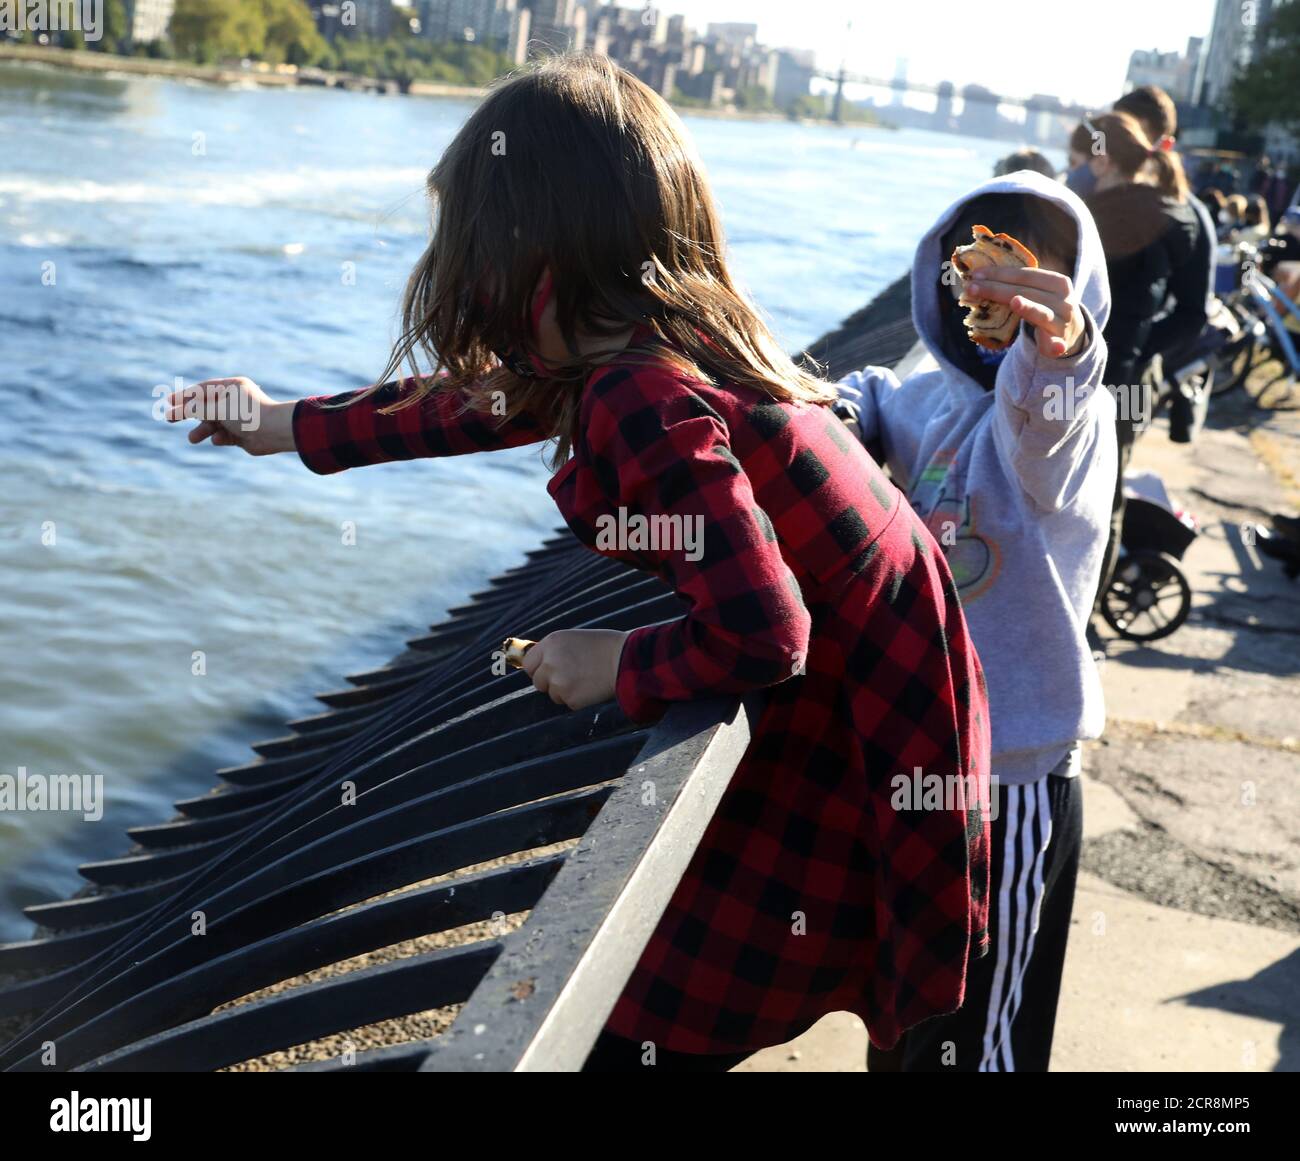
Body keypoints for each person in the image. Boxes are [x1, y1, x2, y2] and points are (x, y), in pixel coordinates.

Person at [166, 55, 993, 1072]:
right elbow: (484, 402)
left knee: (627, 1027)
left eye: (469, 245)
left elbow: (766, 629)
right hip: (885, 729)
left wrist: (618, 663)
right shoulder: (664, 340)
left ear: (533, 257)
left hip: (843, 765)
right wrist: (282, 422)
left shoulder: (637, 395)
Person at [837, 170, 1115, 1071]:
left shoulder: (1070, 414)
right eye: (972, 272)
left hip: (1009, 786)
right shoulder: (925, 400)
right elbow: (869, 395)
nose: (993, 296)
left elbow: (1044, 420)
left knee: (984, 1044)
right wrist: (836, 413)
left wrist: (1061, 345)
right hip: (910, 769)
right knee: (905, 1023)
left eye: (1031, 276)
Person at [1084, 111, 1207, 612]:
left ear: (1104, 155)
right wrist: (1142, 352)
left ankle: (1081, 617)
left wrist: (1122, 352)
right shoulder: (1179, 214)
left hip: (1092, 379)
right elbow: (1191, 314)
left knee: (1089, 497)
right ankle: (1084, 616)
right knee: (1105, 495)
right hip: (1131, 381)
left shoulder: (1097, 213)